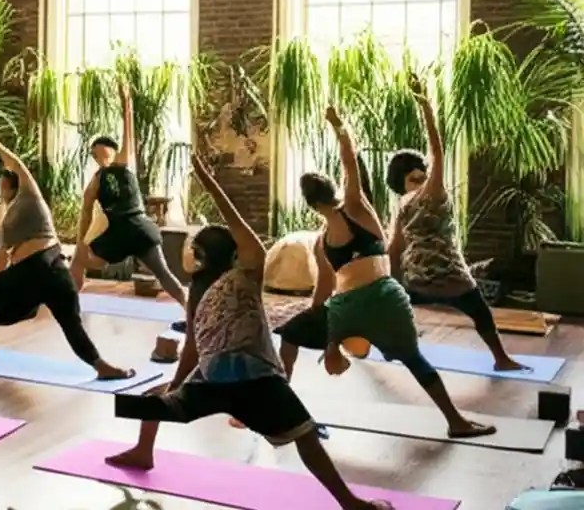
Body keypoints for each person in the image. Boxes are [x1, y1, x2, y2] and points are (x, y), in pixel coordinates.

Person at [107, 156, 394, 510]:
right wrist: (210, 184)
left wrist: (178, 386)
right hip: (251, 377)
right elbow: (195, 343)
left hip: (219, 376)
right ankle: (351, 504)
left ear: (201, 256)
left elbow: (194, 347)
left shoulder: (222, 281)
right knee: (305, 435)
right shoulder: (239, 275)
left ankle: (142, 450)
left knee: (154, 397)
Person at [275, 106, 494, 439]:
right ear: (334, 189)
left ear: (309, 204)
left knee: (289, 337)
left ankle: (284, 418)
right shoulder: (358, 209)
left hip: (347, 309)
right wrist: (339, 126)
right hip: (385, 300)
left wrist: (325, 336)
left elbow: (323, 293)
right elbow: (350, 162)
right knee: (414, 359)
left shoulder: (323, 241)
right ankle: (456, 421)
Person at [0, 131, 135, 380]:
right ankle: (102, 367)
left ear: (12, 185)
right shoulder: (17, 209)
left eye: (3, 185)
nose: (0, 190)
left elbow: (15, 164)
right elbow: (2, 257)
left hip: (36, 267)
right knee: (70, 322)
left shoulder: (27, 196)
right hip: (52, 264)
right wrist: (1, 285)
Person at [387, 73, 527, 372]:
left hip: (417, 281)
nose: (423, 180)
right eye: (415, 178)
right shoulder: (430, 193)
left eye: (422, 175)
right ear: (404, 182)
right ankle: (501, 358)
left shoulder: (401, 205)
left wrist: (394, 284)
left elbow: (394, 249)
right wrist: (424, 103)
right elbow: (437, 150)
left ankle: (388, 346)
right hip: (450, 280)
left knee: (397, 306)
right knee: (480, 312)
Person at [67, 83, 188, 351]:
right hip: (119, 233)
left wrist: (127, 103)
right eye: (95, 154)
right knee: (81, 260)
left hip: (138, 228)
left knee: (163, 274)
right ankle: (70, 308)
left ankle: (191, 313)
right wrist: (79, 245)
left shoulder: (123, 163)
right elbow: (86, 212)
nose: (100, 156)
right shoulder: (96, 180)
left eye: (103, 151)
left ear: (112, 151)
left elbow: (128, 133)